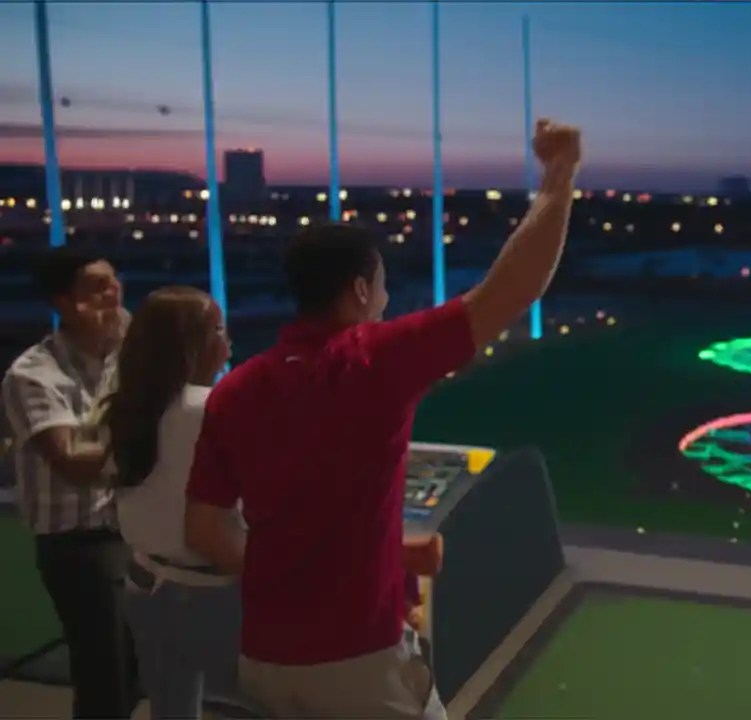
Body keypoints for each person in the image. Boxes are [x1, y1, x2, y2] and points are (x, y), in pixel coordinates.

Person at [184, 117, 581, 718]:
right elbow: (513, 287)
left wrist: (337, 561)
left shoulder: (235, 389)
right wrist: (560, 173)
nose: (388, 299)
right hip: (361, 665)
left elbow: (208, 530)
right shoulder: (372, 360)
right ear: (361, 290)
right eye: (385, 286)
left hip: (264, 658)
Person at [1, 248, 139, 718]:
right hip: (80, 542)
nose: (112, 293)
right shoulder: (33, 374)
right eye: (96, 286)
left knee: (137, 669)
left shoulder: (126, 356)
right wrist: (139, 429)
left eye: (114, 281)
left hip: (134, 531)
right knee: (107, 675)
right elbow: (72, 464)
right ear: (63, 301)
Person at [101, 286, 239, 719]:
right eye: (219, 329)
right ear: (193, 346)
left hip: (145, 583)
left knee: (172, 708)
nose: (228, 338)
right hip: (214, 593)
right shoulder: (216, 409)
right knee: (247, 708)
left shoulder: (123, 409)